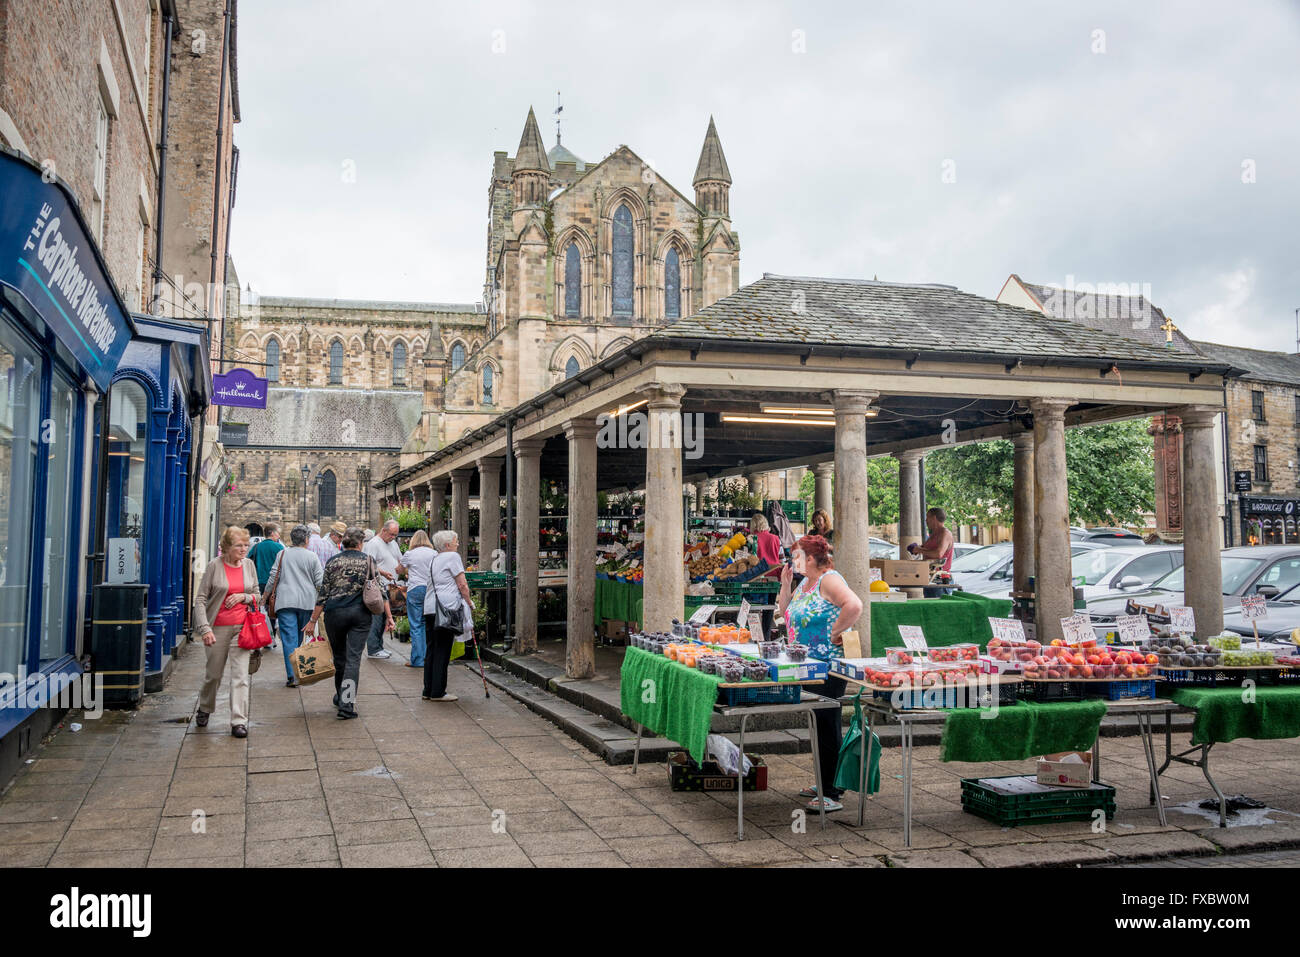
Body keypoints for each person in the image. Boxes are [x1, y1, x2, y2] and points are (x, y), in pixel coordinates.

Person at [777, 533, 863, 813]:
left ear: (812, 558)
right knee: (817, 723)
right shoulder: (806, 583)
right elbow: (786, 613)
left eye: (798, 556)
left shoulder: (829, 579)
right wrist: (786, 585)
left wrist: (836, 631)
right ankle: (824, 780)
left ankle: (832, 791)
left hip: (827, 665)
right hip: (807, 664)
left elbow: (854, 605)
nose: (793, 561)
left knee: (827, 723)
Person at [302, 527, 394, 719]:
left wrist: (312, 620)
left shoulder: (333, 561)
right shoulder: (368, 560)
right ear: (361, 543)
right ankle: (347, 703)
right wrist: (389, 617)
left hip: (334, 614)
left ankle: (340, 696)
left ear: (343, 543)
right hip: (360, 616)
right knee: (353, 660)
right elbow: (379, 590)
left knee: (339, 658)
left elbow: (323, 594)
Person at [192, 526, 262, 738]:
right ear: (226, 547)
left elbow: (257, 594)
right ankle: (205, 707)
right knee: (213, 675)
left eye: (245, 545)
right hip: (217, 628)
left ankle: (238, 721)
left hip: (242, 629)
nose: (244, 549)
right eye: (239, 545)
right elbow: (201, 599)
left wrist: (244, 597)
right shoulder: (214, 566)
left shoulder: (249, 565)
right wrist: (204, 628)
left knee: (241, 676)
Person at [263, 524, 323, 687]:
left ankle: (292, 675)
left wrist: (264, 597)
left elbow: (273, 577)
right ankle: (296, 671)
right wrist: (323, 601)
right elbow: (320, 582)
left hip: (285, 602)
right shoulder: (312, 557)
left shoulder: (282, 554)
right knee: (298, 638)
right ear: (306, 539)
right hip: (306, 602)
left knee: (289, 639)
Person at [423, 529, 472, 703]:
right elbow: (462, 584)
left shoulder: (434, 559)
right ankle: (438, 692)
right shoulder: (452, 557)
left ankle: (428, 689)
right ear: (447, 545)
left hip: (430, 608)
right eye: (456, 541)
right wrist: (470, 603)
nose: (458, 544)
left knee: (431, 649)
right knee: (443, 650)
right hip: (446, 609)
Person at [362, 519, 403, 659]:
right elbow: (368, 564)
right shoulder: (373, 544)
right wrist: (384, 572)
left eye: (395, 535)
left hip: (390, 586)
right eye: (391, 534)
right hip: (378, 586)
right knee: (376, 618)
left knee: (385, 617)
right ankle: (374, 649)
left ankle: (379, 646)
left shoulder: (392, 543)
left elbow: (399, 559)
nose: (393, 538)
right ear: (383, 530)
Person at [398, 529, 436, 669]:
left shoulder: (410, 554)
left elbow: (399, 570)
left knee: (416, 625)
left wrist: (406, 569)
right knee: (429, 624)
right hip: (431, 590)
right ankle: (429, 658)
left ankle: (417, 660)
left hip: (415, 589)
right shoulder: (434, 553)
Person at [907, 506, 955, 572]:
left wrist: (919, 550)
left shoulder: (945, 533)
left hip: (940, 577)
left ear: (934, 518)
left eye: (927, 517)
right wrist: (916, 548)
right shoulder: (933, 534)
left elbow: (938, 554)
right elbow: (928, 549)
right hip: (928, 574)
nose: (926, 520)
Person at [248, 523, 284, 593]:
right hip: (274, 583)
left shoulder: (256, 547)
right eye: (278, 533)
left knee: (260, 603)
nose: (279, 536)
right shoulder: (279, 547)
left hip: (259, 582)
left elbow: (248, 561)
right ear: (272, 533)